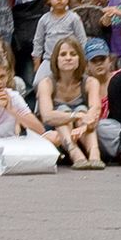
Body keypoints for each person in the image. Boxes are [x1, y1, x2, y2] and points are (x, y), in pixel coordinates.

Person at [36, 37, 103, 169]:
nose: (68, 58)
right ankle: (75, 153)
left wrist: (83, 125)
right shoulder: (46, 83)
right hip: (54, 130)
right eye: (63, 54)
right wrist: (75, 116)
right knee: (63, 110)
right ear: (56, 59)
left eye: (73, 54)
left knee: (83, 109)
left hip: (83, 129)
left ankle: (94, 153)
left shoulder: (90, 82)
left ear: (80, 59)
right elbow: (47, 116)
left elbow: (95, 111)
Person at [31, 0, 86, 84]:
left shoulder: (73, 18)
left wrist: (81, 61)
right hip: (49, 60)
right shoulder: (44, 20)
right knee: (38, 83)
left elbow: (82, 40)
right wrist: (37, 64)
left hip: (69, 59)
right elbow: (38, 42)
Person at [84, 37, 116, 120]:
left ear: (110, 60)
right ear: (87, 66)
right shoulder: (84, 87)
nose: (99, 63)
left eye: (102, 59)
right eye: (94, 60)